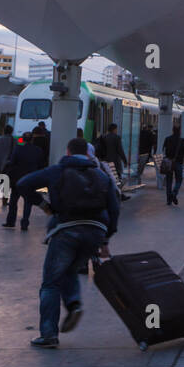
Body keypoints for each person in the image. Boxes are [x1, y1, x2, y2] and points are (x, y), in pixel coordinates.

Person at [17, 137, 120, 348]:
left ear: (68, 151)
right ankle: (73, 304)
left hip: (66, 229)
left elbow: (23, 184)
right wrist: (106, 237)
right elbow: (114, 206)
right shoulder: (101, 175)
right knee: (70, 269)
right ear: (89, 154)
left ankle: (48, 335)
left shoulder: (57, 171)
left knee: (51, 283)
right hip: (94, 232)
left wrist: (44, 205)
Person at [2, 132, 45, 230]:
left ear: (23, 139)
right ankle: (24, 223)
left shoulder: (18, 148)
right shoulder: (38, 150)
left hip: (17, 178)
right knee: (28, 202)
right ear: (32, 140)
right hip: (31, 179)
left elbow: (12, 162)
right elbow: (41, 165)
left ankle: (10, 221)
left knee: (13, 201)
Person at [160, 123, 184, 205]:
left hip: (169, 162)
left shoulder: (167, 139)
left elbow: (164, 149)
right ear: (179, 131)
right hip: (178, 162)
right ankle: (174, 193)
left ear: (172, 131)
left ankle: (168, 200)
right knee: (179, 180)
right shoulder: (182, 141)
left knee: (169, 181)